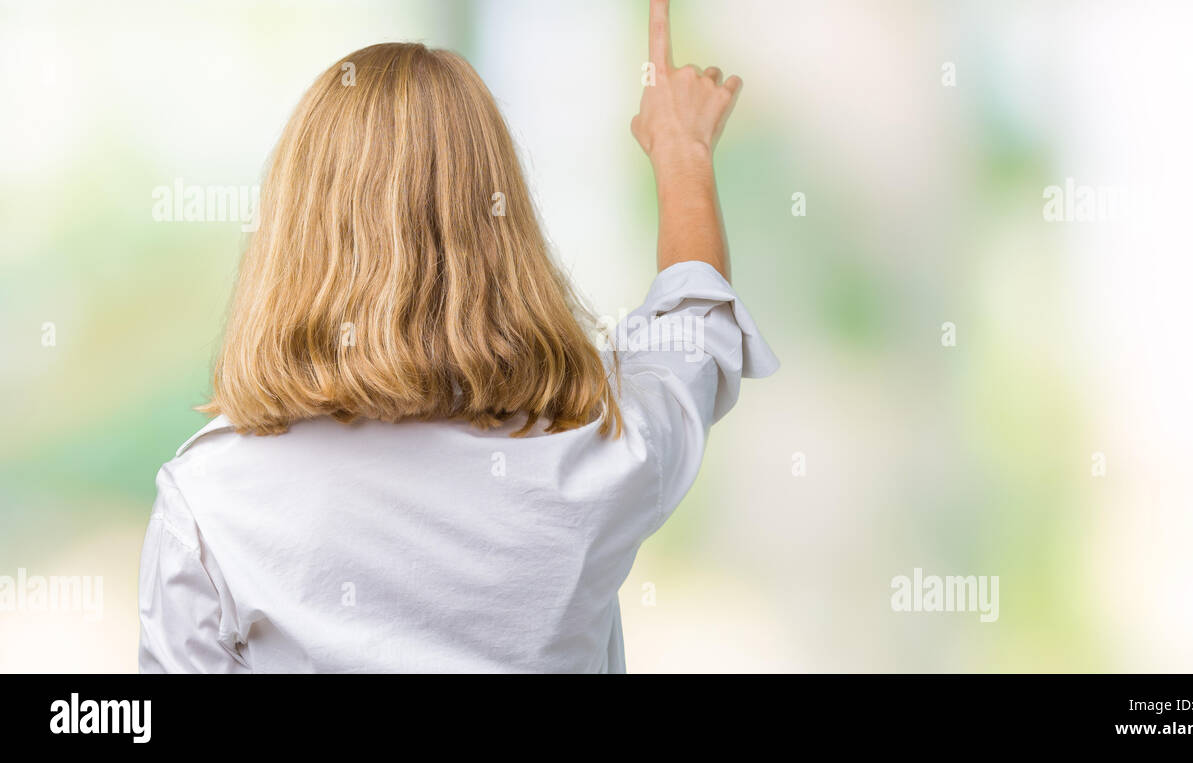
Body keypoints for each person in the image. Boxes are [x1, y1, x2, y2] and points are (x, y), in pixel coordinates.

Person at [138, 0, 777, 673]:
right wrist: (682, 150)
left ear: (293, 232)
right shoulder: (601, 453)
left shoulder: (212, 499)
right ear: (501, 225)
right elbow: (693, 329)